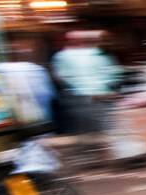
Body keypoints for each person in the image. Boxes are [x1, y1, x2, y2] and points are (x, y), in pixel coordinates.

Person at [51, 30, 121, 162]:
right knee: (104, 127)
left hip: (78, 97)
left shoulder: (62, 56)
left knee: (83, 129)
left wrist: (75, 87)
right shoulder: (98, 54)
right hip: (100, 95)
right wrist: (107, 87)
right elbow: (113, 73)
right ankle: (107, 155)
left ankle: (89, 156)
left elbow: (61, 77)